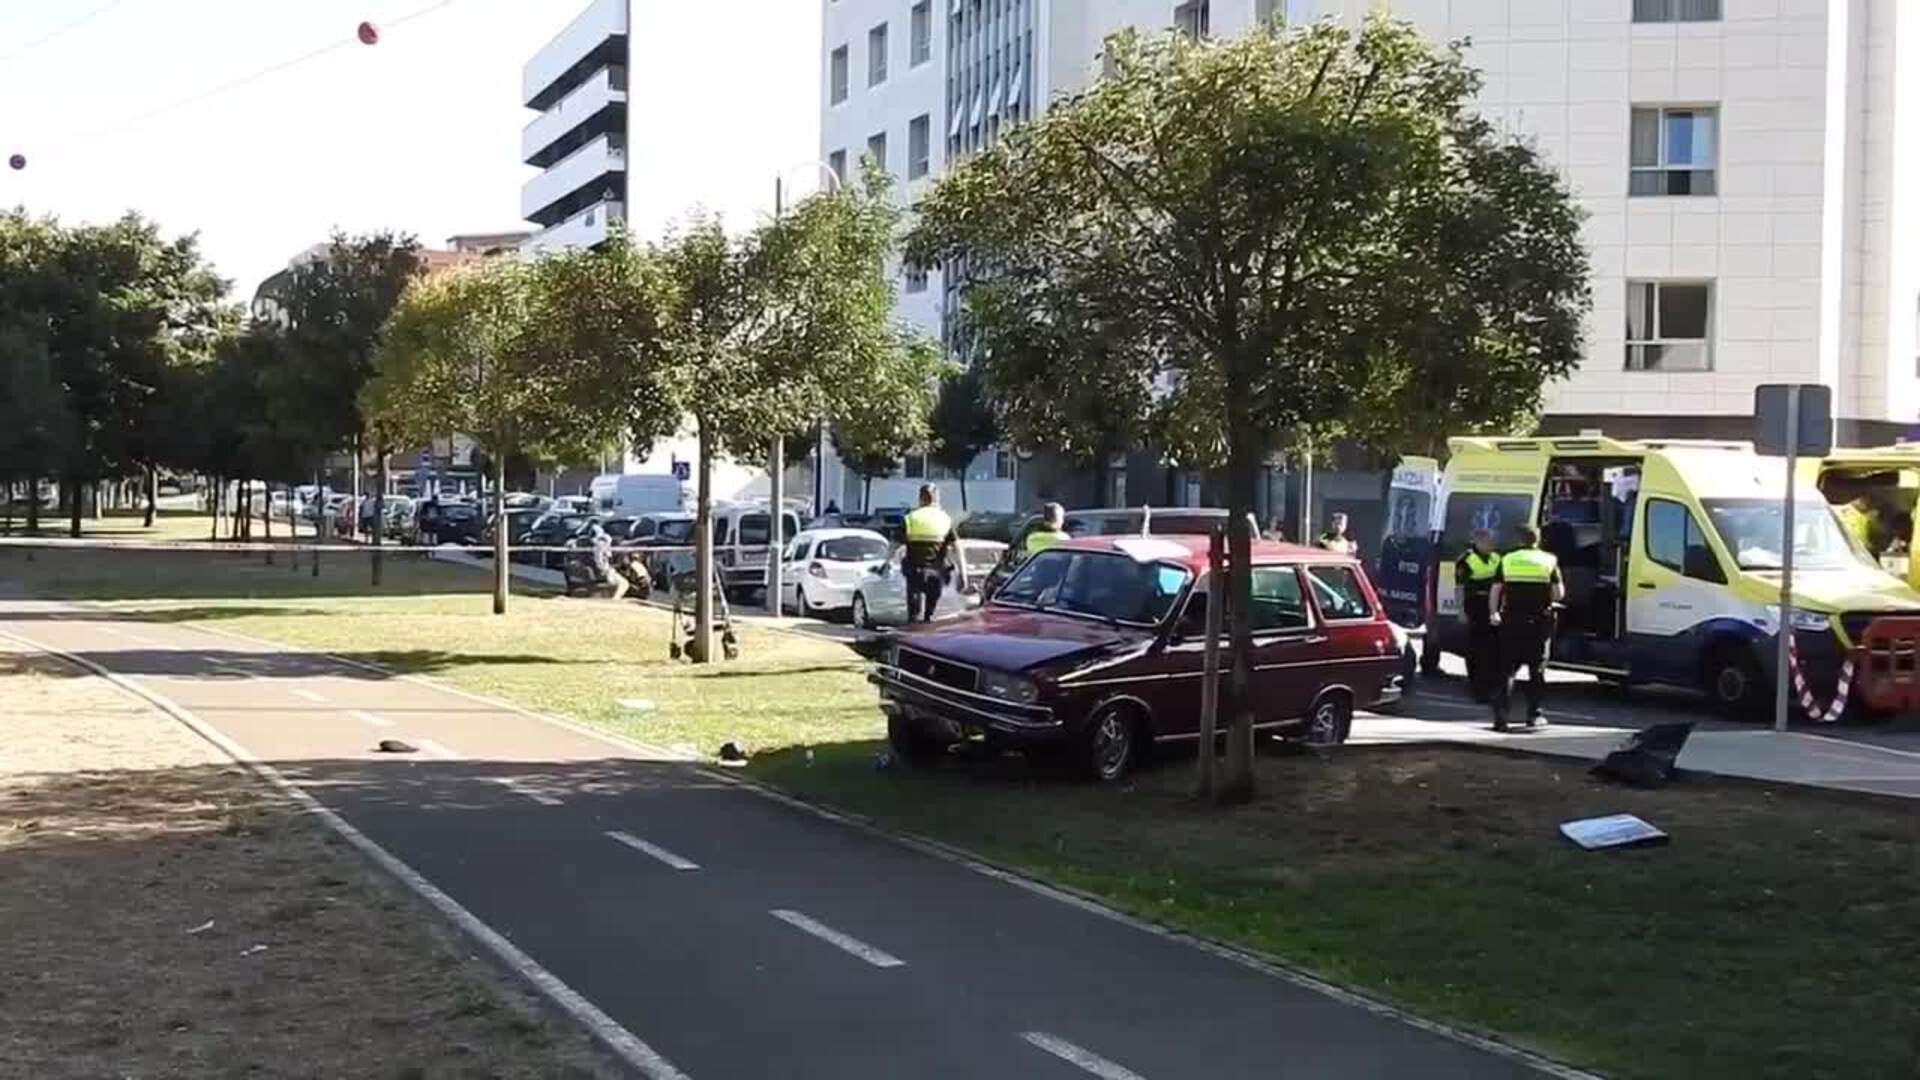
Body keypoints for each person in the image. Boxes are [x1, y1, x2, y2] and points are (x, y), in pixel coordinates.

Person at [1488, 524, 1563, 733]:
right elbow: (1558, 594)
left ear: (1519, 540)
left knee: (1507, 670)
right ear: (1537, 540)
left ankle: (1501, 717)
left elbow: (1496, 589)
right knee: (1536, 669)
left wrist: (1494, 612)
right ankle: (1534, 715)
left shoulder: (1508, 559)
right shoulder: (1549, 561)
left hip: (1512, 620)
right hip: (1539, 621)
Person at [902, 484, 966, 622]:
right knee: (932, 616)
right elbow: (957, 548)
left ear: (920, 499)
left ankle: (914, 631)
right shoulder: (945, 520)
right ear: (937, 499)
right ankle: (928, 624)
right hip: (937, 573)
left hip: (915, 572)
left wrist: (885, 564)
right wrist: (963, 574)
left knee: (913, 615)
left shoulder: (911, 518)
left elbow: (894, 545)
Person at [1454, 528, 1502, 702]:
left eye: (1492, 542)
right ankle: (1477, 688)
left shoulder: (1497, 558)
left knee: (1493, 649)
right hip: (1475, 608)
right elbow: (1459, 589)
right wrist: (1460, 611)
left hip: (1493, 607)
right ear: (1478, 542)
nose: (1491, 545)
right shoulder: (1466, 560)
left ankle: (1491, 685)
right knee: (1476, 650)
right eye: (1488, 542)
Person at [590, 521, 628, 601]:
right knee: (623, 584)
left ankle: (614, 599)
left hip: (606, 570)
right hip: (604, 572)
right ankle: (614, 600)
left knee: (623, 582)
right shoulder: (599, 546)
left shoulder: (595, 546)